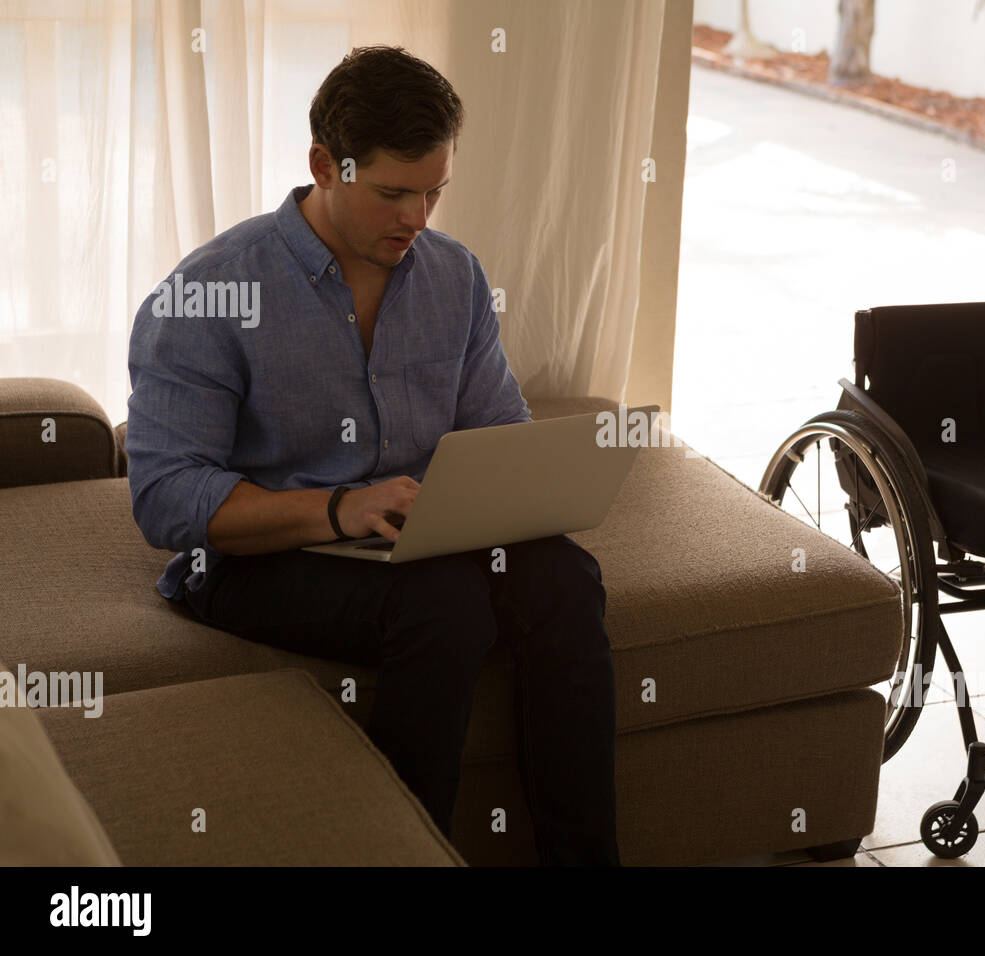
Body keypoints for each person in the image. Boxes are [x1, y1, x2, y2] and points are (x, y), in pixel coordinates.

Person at [124, 45, 620, 867]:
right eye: (393, 193)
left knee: (567, 579)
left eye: (433, 192)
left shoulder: (454, 279)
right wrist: (336, 508)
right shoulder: (210, 293)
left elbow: (498, 429)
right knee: (444, 603)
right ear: (325, 164)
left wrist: (523, 486)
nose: (417, 218)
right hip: (256, 560)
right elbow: (167, 499)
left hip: (411, 538)